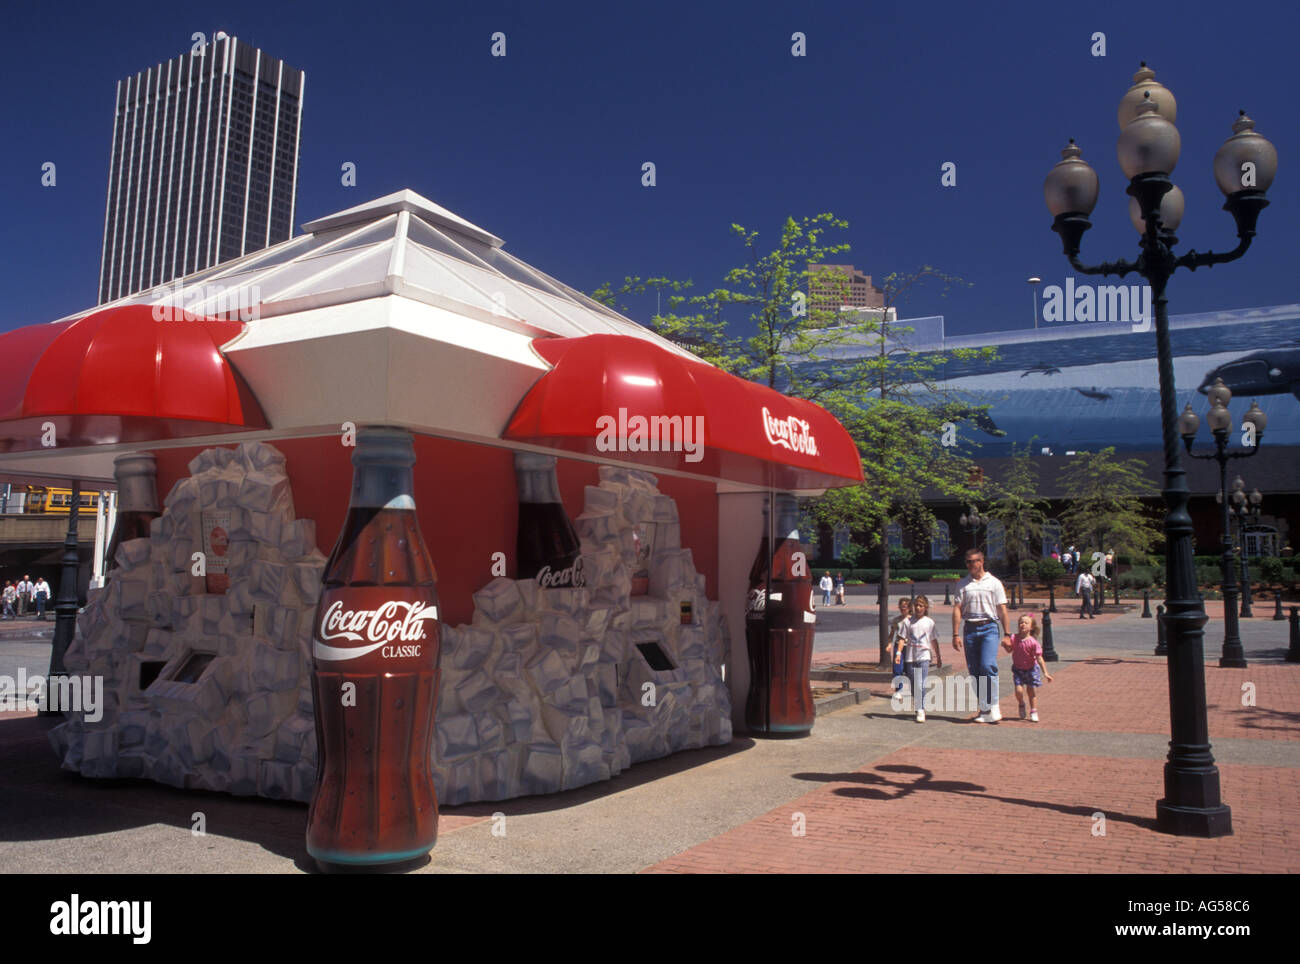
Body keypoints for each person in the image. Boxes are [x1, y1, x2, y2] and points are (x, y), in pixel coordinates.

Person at [951, 548, 1010, 723]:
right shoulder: (963, 584)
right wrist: (955, 634)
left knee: (988, 665)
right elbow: (957, 609)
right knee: (975, 670)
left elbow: (1002, 610)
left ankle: (994, 705)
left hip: (989, 628)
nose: (970, 565)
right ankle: (984, 709)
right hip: (970, 629)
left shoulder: (994, 583)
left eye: (974, 561)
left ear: (981, 561)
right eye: (968, 562)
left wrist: (1007, 634)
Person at [897, 594, 941, 722]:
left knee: (921, 683)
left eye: (921, 605)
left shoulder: (929, 622)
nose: (918, 608)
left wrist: (938, 656)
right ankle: (918, 706)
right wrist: (899, 654)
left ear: (925, 607)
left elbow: (934, 640)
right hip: (910, 657)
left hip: (924, 656)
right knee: (913, 685)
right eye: (916, 605)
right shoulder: (907, 622)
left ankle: (921, 709)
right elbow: (901, 639)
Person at [1002, 612, 1053, 721]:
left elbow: (1039, 658)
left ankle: (1033, 710)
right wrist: (1005, 646)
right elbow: (1010, 650)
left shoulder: (1033, 642)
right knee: (1018, 691)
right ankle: (1021, 704)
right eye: (1021, 622)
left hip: (1031, 669)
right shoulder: (1014, 638)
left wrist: (1046, 673)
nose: (1023, 624)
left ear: (1031, 627)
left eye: (1026, 623)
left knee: (1031, 692)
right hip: (1018, 669)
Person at [889, 597, 912, 694]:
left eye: (905, 607)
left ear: (909, 608)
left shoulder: (913, 620)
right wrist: (889, 644)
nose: (903, 609)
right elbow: (892, 634)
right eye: (901, 607)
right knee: (897, 668)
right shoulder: (896, 620)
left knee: (908, 669)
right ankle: (899, 690)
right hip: (898, 646)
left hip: (910, 647)